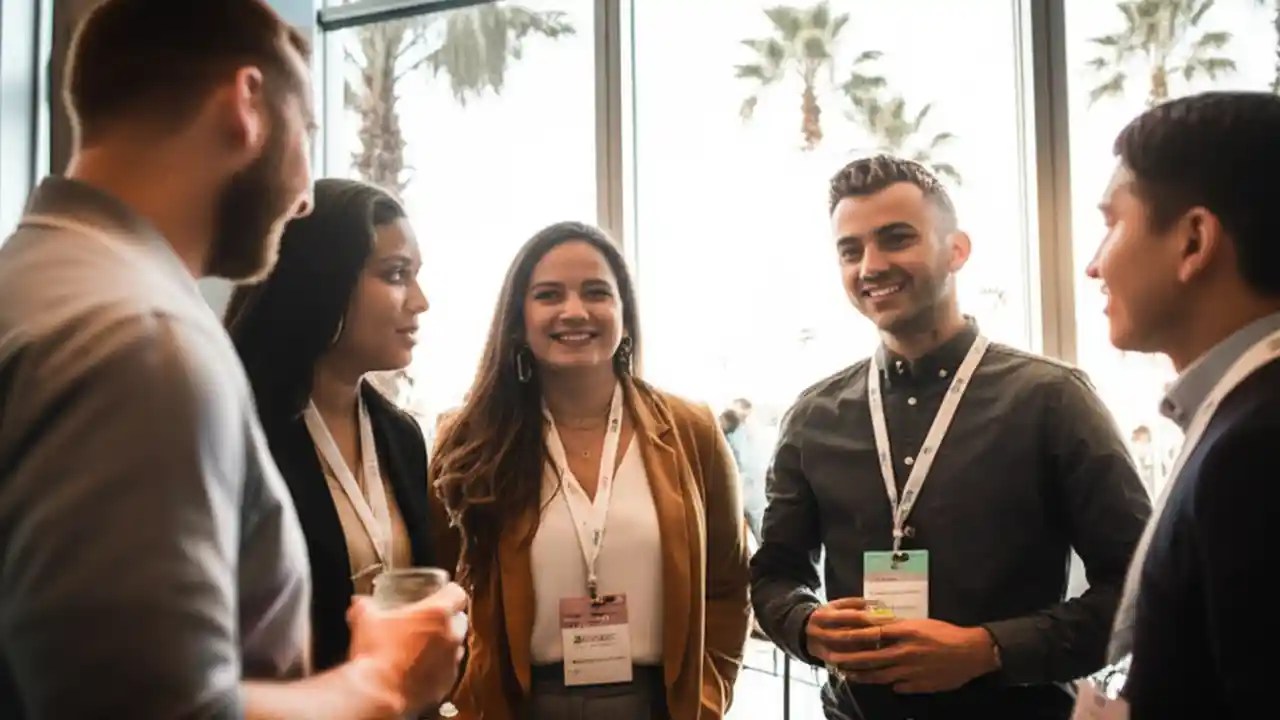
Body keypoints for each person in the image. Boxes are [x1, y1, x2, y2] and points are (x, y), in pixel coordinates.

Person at [0, 2, 464, 718]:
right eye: (306, 132)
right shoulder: (140, 342)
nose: (306, 194)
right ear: (247, 103)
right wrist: (387, 678)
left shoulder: (35, 284)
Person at [750, 155, 1151, 720]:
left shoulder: (1052, 400)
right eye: (851, 250)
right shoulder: (814, 416)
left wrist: (988, 650)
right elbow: (774, 574)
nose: (871, 265)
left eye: (896, 239)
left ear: (956, 249)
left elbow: (1139, 587)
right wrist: (807, 625)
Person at [431, 221, 751, 719]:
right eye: (548, 295)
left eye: (597, 292)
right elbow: (440, 588)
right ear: (518, 318)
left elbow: (729, 584)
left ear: (624, 312)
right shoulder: (470, 439)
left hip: (656, 704)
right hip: (517, 706)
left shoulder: (693, 430)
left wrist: (710, 698)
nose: (575, 311)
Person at [1080, 91, 1280, 719]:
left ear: (1193, 240)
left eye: (1112, 223)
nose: (1093, 265)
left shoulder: (1258, 445)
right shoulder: (1237, 415)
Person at [225, 178, 460, 672]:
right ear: (323, 281)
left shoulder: (401, 437)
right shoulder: (241, 433)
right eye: (396, 275)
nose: (420, 301)